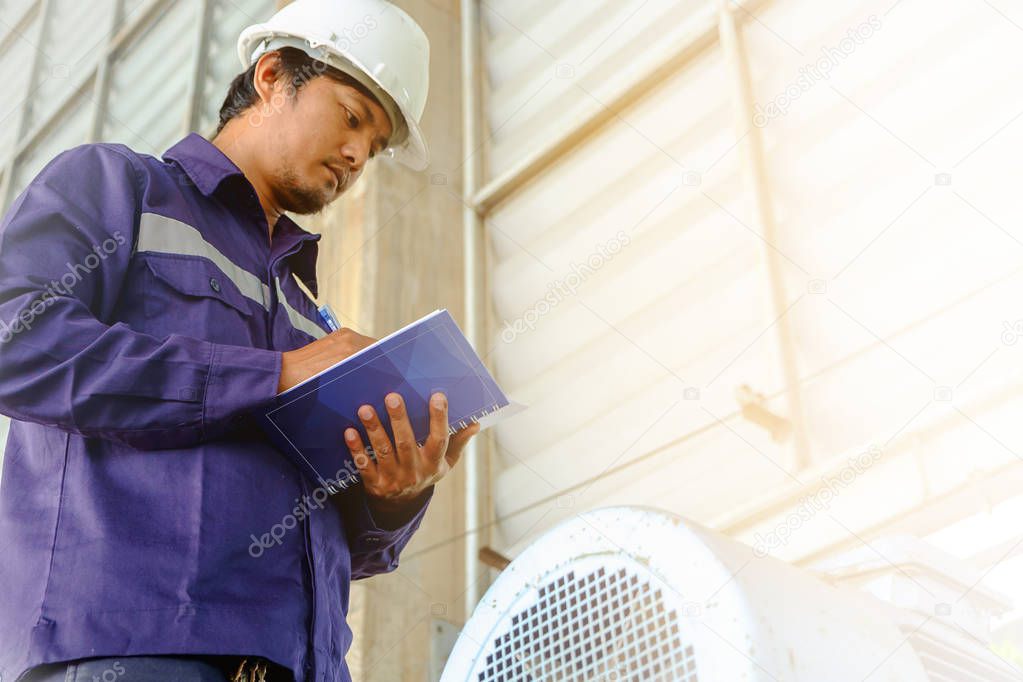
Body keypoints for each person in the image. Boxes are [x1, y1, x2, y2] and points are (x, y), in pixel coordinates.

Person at [0, 1, 476, 680]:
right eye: (350, 118)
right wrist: (274, 376)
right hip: (129, 650)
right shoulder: (118, 188)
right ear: (273, 75)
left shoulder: (314, 316)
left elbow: (343, 542)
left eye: (373, 147)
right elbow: (16, 343)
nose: (355, 156)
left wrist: (394, 494)